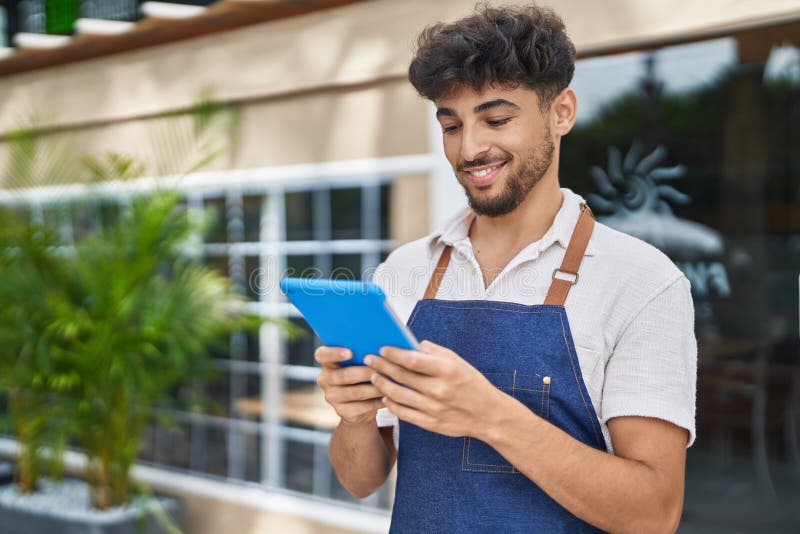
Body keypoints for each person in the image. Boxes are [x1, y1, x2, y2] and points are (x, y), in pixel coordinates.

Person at [315, 4, 696, 533]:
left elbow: (654, 514)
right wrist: (354, 419)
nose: (470, 149)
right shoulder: (405, 270)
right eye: (452, 125)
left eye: (496, 120)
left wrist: (490, 415)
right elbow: (361, 481)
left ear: (561, 112)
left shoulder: (640, 283)